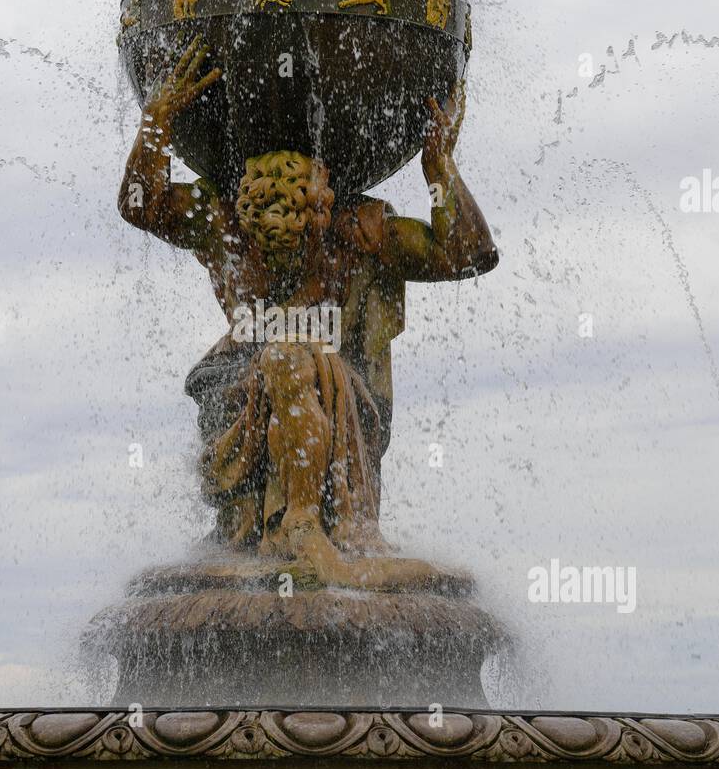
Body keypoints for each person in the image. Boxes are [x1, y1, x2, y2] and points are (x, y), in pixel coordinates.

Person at [118, 37, 498, 585]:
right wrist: (155, 122)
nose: (276, 245)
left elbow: (467, 253)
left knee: (294, 357)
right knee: (286, 357)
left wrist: (439, 165)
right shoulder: (219, 220)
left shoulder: (359, 228)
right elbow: (139, 203)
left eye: (295, 236)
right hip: (236, 380)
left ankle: (304, 524)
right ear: (244, 217)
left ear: (321, 215)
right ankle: (278, 525)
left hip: (342, 386)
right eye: (263, 237)